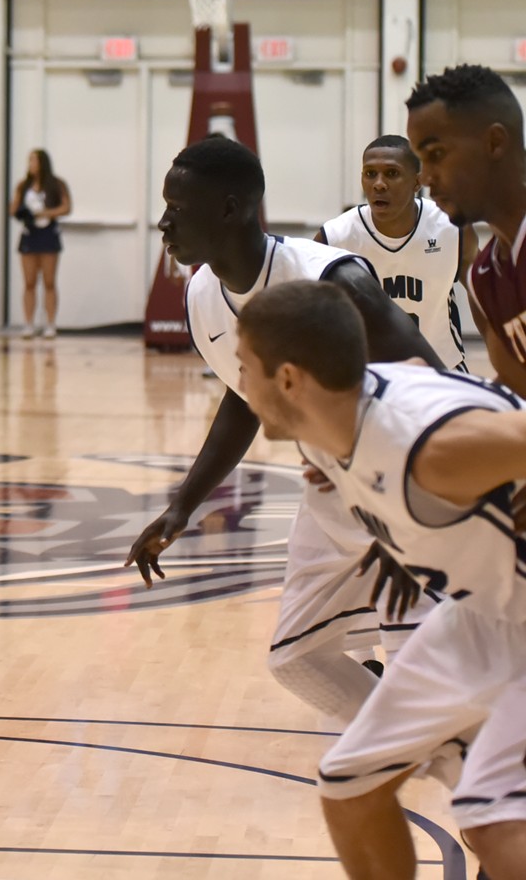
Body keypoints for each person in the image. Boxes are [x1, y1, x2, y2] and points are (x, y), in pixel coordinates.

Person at [124, 136, 442, 727]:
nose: (164, 222)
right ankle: (413, 741)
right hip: (331, 480)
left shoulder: (330, 279)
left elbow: (429, 382)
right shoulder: (201, 295)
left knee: (415, 655)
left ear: (229, 209)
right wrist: (182, 506)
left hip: (409, 474)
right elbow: (243, 399)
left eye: (177, 208)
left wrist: (407, 517)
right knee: (297, 657)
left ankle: (435, 753)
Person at [233, 281, 526, 880]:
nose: (238, 384)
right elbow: (416, 373)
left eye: (244, 367)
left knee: (495, 829)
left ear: (288, 379)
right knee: (351, 789)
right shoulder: (336, 423)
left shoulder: (429, 450)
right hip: (483, 613)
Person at [405, 64, 526, 397]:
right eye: (420, 160)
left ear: (495, 142)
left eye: (436, 154)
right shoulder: (483, 278)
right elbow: (516, 389)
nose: (425, 177)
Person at [317, 135, 471, 370]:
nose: (379, 184)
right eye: (370, 174)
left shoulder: (452, 227)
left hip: (442, 364)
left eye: (391, 173)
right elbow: (311, 310)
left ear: (417, 182)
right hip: (370, 370)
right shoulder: (335, 236)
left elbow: (485, 296)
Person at [10, 149, 71, 339]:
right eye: (29, 160)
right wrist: (22, 212)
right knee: (29, 282)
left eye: (34, 160)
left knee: (49, 281)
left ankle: (50, 323)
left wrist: (46, 213)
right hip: (30, 234)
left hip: (48, 233)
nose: (31, 164)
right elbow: (13, 208)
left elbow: (66, 207)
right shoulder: (23, 185)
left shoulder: (56, 184)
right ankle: (28, 323)